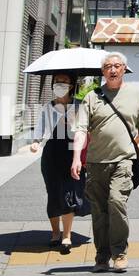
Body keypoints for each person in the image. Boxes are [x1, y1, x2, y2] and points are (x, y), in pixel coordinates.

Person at [71, 52, 139, 273]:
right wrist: (76, 158)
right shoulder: (93, 97)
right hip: (96, 162)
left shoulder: (136, 96)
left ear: (124, 69)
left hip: (124, 160)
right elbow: (81, 130)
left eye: (117, 65)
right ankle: (102, 256)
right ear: (103, 71)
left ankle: (119, 253)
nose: (112, 69)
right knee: (99, 210)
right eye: (108, 66)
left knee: (117, 202)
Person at [30, 74, 80, 254]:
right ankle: (55, 232)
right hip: (51, 154)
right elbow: (40, 129)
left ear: (72, 85)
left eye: (64, 81)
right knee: (52, 193)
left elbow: (87, 129)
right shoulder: (47, 107)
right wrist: (36, 141)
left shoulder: (79, 106)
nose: (60, 84)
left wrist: (72, 124)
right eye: (57, 81)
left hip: (71, 152)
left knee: (68, 193)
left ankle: (67, 235)